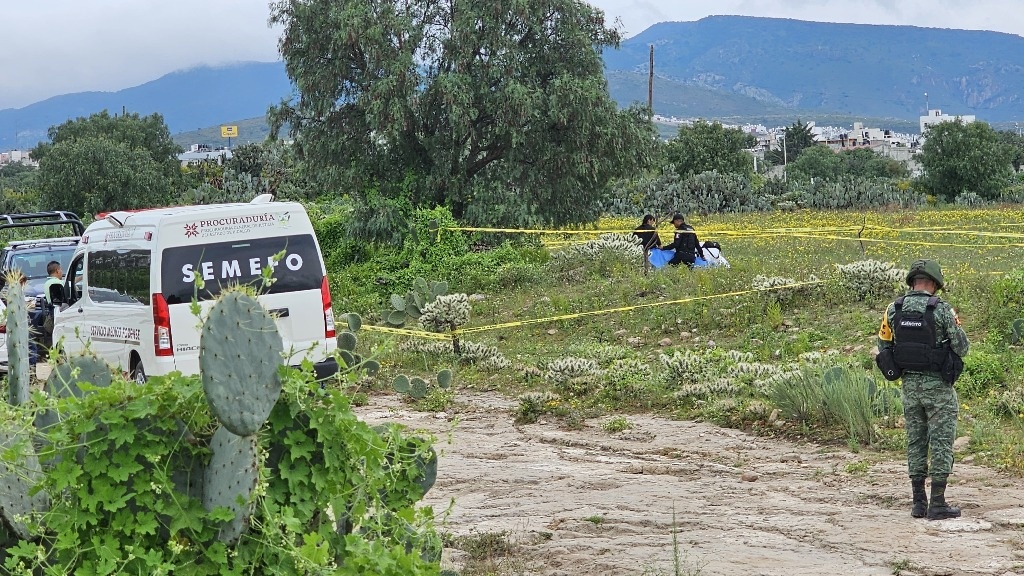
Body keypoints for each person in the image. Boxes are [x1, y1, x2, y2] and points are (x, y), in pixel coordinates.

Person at [877, 259, 969, 520]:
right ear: (935, 284)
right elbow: (962, 347)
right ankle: (938, 503)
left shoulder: (893, 309)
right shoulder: (942, 309)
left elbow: (884, 346)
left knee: (915, 441)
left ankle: (918, 501)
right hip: (938, 388)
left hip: (909, 389)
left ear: (912, 281)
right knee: (941, 442)